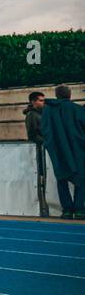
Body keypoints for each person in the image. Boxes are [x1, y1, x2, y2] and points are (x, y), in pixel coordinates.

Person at [40, 85, 85, 219]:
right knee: (81, 178)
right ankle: (79, 210)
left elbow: (45, 130)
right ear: (69, 95)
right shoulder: (77, 109)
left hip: (58, 149)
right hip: (78, 149)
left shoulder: (47, 110)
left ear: (56, 95)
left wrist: (51, 145)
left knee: (61, 178)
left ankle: (66, 210)